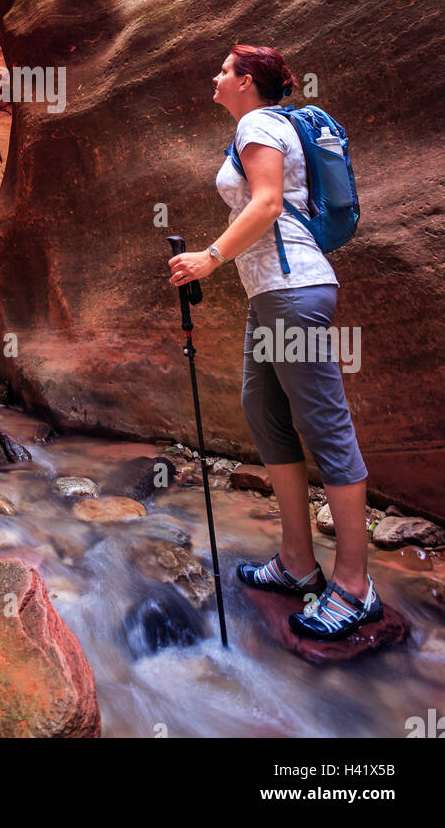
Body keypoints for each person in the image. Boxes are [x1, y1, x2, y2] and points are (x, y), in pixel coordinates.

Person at [167, 43, 382, 640]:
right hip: (272, 299)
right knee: (265, 414)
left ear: (246, 81)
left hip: (293, 293)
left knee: (325, 426)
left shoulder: (259, 122)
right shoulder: (255, 126)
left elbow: (265, 204)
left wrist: (209, 258)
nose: (215, 76)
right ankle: (295, 563)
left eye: (224, 70)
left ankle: (355, 587)